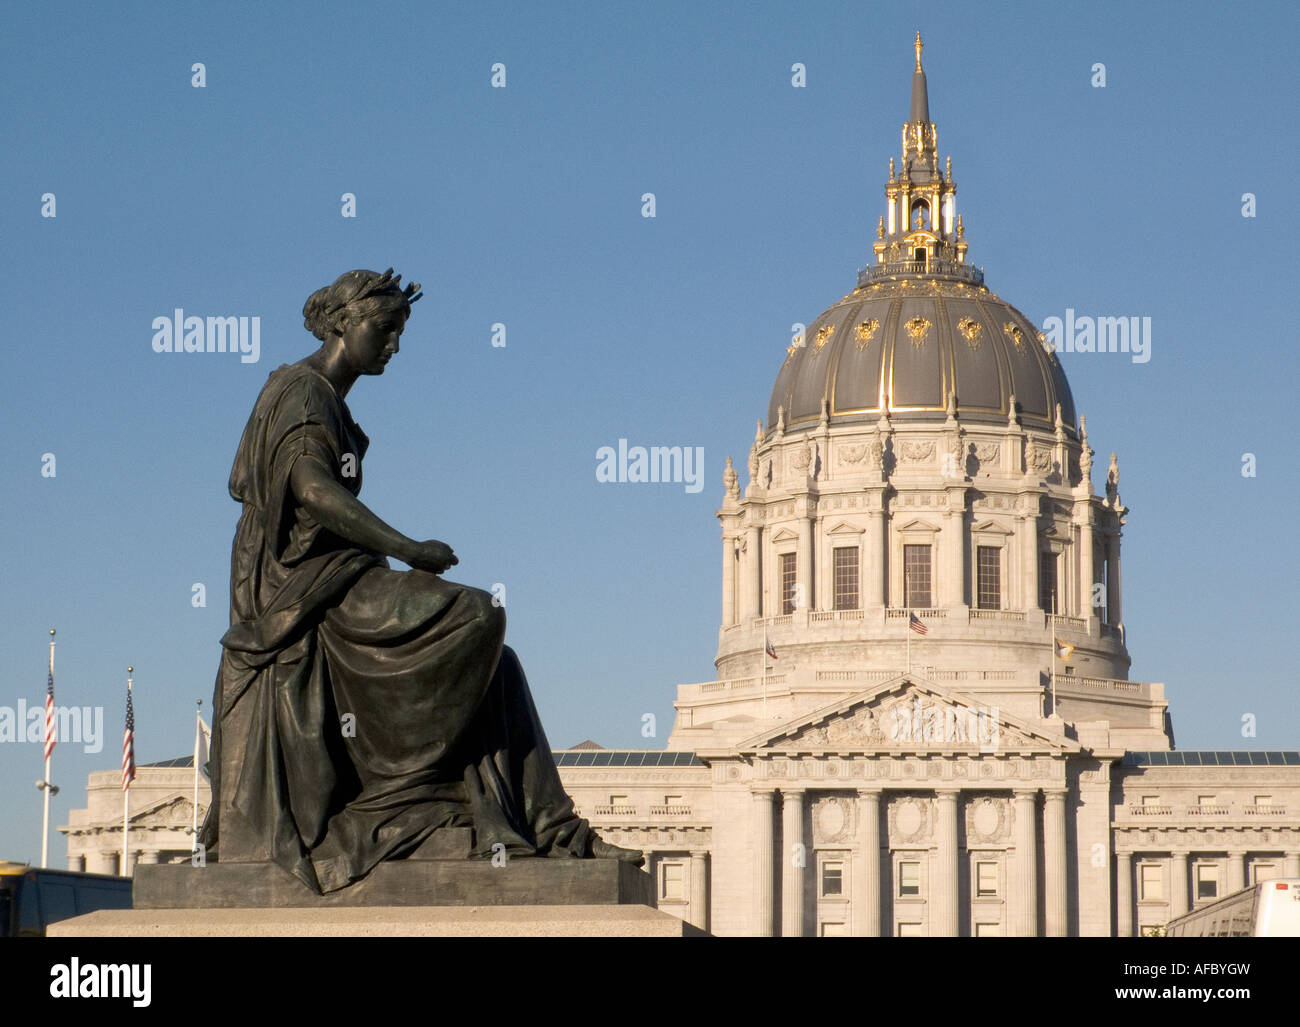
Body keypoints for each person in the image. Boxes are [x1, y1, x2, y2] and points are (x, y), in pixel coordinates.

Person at [198, 268, 642, 893]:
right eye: (385, 329)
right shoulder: (302, 391)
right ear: (344, 324)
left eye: (400, 332)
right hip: (306, 599)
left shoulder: (324, 397)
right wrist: (407, 548)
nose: (394, 346)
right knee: (479, 615)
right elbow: (314, 491)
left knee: (499, 664)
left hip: (340, 580)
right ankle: (408, 791)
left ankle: (542, 828)